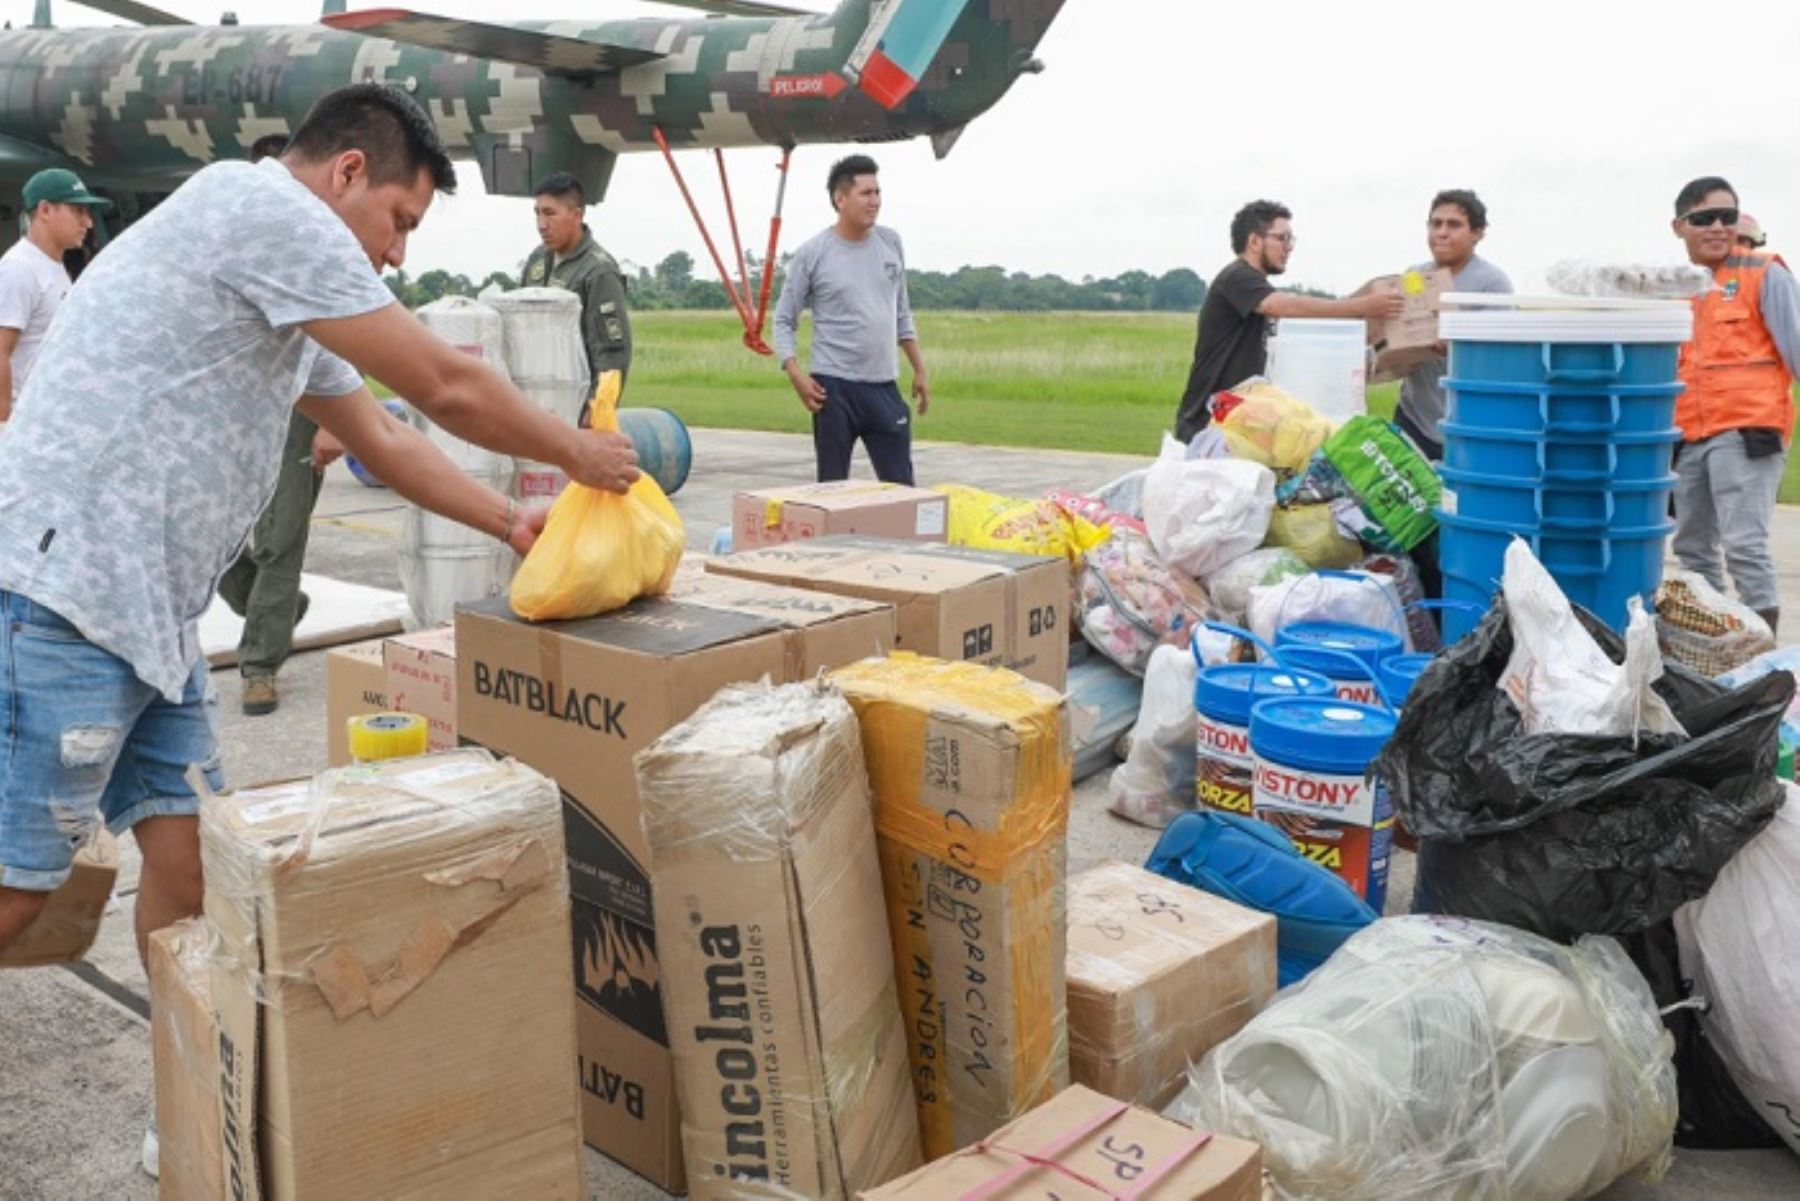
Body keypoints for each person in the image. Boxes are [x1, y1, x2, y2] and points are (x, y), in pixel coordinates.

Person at [0, 84, 639, 1174]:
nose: (396, 253)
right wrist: (578, 451)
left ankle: (186, 1104)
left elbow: (384, 437)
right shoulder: (261, 211)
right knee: (18, 890)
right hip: (68, 592)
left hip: (152, 616)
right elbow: (441, 381)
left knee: (191, 868)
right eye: (398, 219)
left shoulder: (291, 294)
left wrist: (508, 521)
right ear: (346, 172)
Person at [215, 134, 346, 716]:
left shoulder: (320, 243)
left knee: (280, 539)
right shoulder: (231, 238)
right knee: (216, 535)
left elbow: (350, 326)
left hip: (301, 409)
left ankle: (259, 667)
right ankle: (279, 610)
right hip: (236, 409)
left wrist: (336, 424)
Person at [1669, 176, 1798, 635]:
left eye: (1727, 216)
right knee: (1692, 548)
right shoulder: (1678, 288)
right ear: (1679, 226)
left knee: (1744, 545)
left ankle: (1762, 655)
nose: (1718, 227)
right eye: (1705, 218)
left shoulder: (1764, 273)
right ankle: (1714, 645)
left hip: (1747, 430)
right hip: (1689, 435)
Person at [1176, 200, 1402, 443]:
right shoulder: (1237, 277)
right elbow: (1284, 307)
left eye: (1291, 239)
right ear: (1254, 241)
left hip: (1238, 424)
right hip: (1208, 425)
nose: (1289, 247)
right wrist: (1362, 306)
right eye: (1282, 238)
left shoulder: (1254, 287)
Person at [773, 153, 930, 484]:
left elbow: (901, 312)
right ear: (840, 199)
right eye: (866, 193)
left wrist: (919, 369)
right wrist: (796, 374)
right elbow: (784, 320)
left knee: (902, 488)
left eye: (878, 192)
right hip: (834, 387)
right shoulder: (813, 253)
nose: (875, 201)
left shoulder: (891, 243)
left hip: (883, 384)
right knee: (832, 489)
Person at [1395, 189, 1513, 461]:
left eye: (1454, 225)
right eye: (1435, 224)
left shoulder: (1492, 283)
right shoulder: (1414, 276)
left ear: (1477, 233)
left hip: (1465, 422)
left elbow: (1498, 357)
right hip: (1412, 417)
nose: (1442, 233)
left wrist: (1455, 345)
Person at [0, 168, 111, 421]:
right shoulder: (20, 269)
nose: (88, 222)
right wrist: (4, 424)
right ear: (45, 210)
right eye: (78, 211)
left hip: (49, 418)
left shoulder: (51, 265)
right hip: (24, 423)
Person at [521, 171, 632, 395]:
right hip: (534, 395)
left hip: (574, 399)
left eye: (550, 214)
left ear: (577, 215)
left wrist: (596, 407)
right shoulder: (537, 260)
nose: (541, 225)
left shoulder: (599, 272)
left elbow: (612, 357)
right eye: (538, 214)